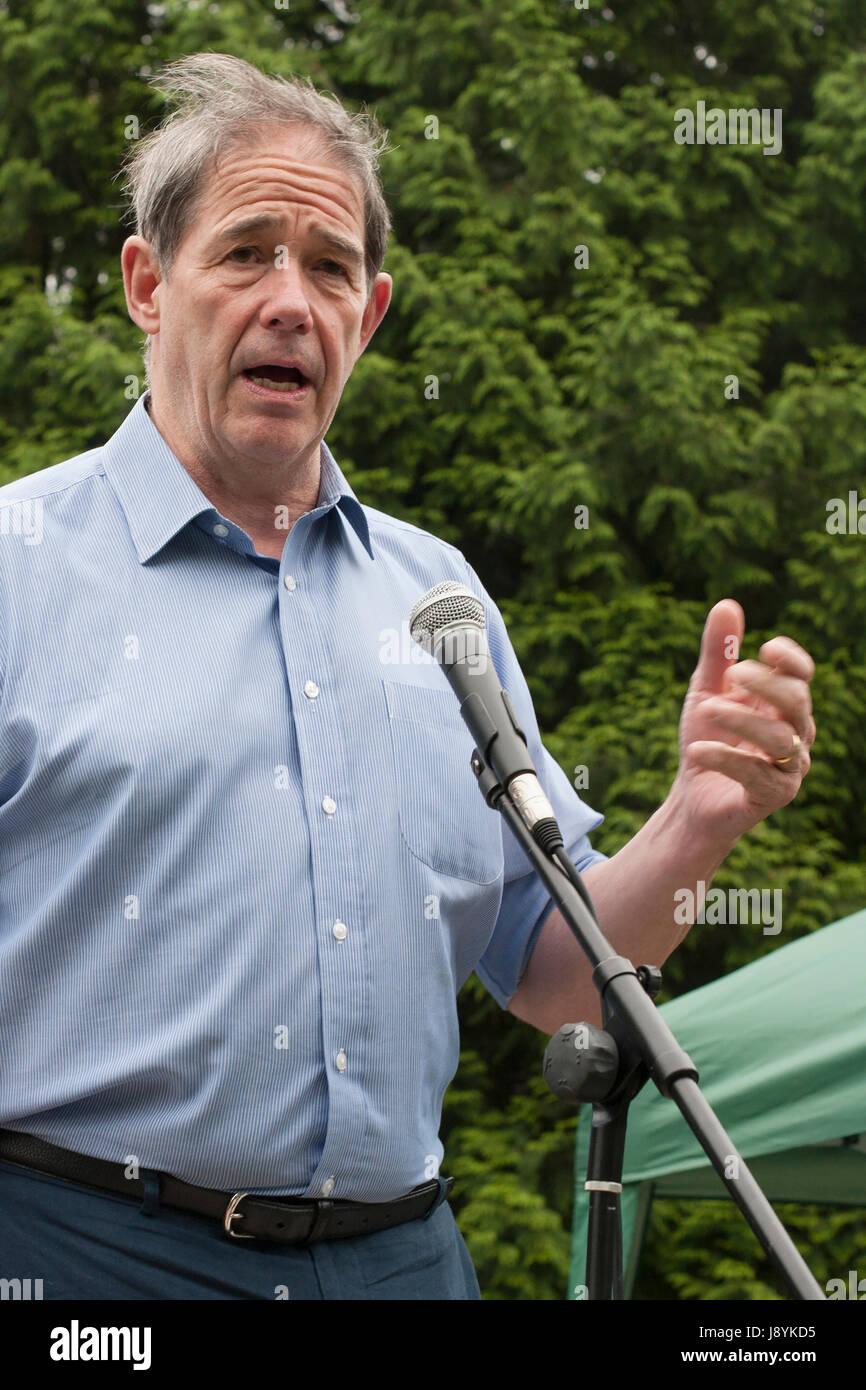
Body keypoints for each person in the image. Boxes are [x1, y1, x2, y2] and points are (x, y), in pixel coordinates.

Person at [0, 53, 815, 1302]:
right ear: (145, 286)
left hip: (405, 1261)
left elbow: (555, 974)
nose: (291, 301)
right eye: (244, 254)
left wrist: (696, 825)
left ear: (368, 318)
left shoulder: (439, 600)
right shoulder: (19, 570)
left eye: (329, 268)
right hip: (84, 1256)